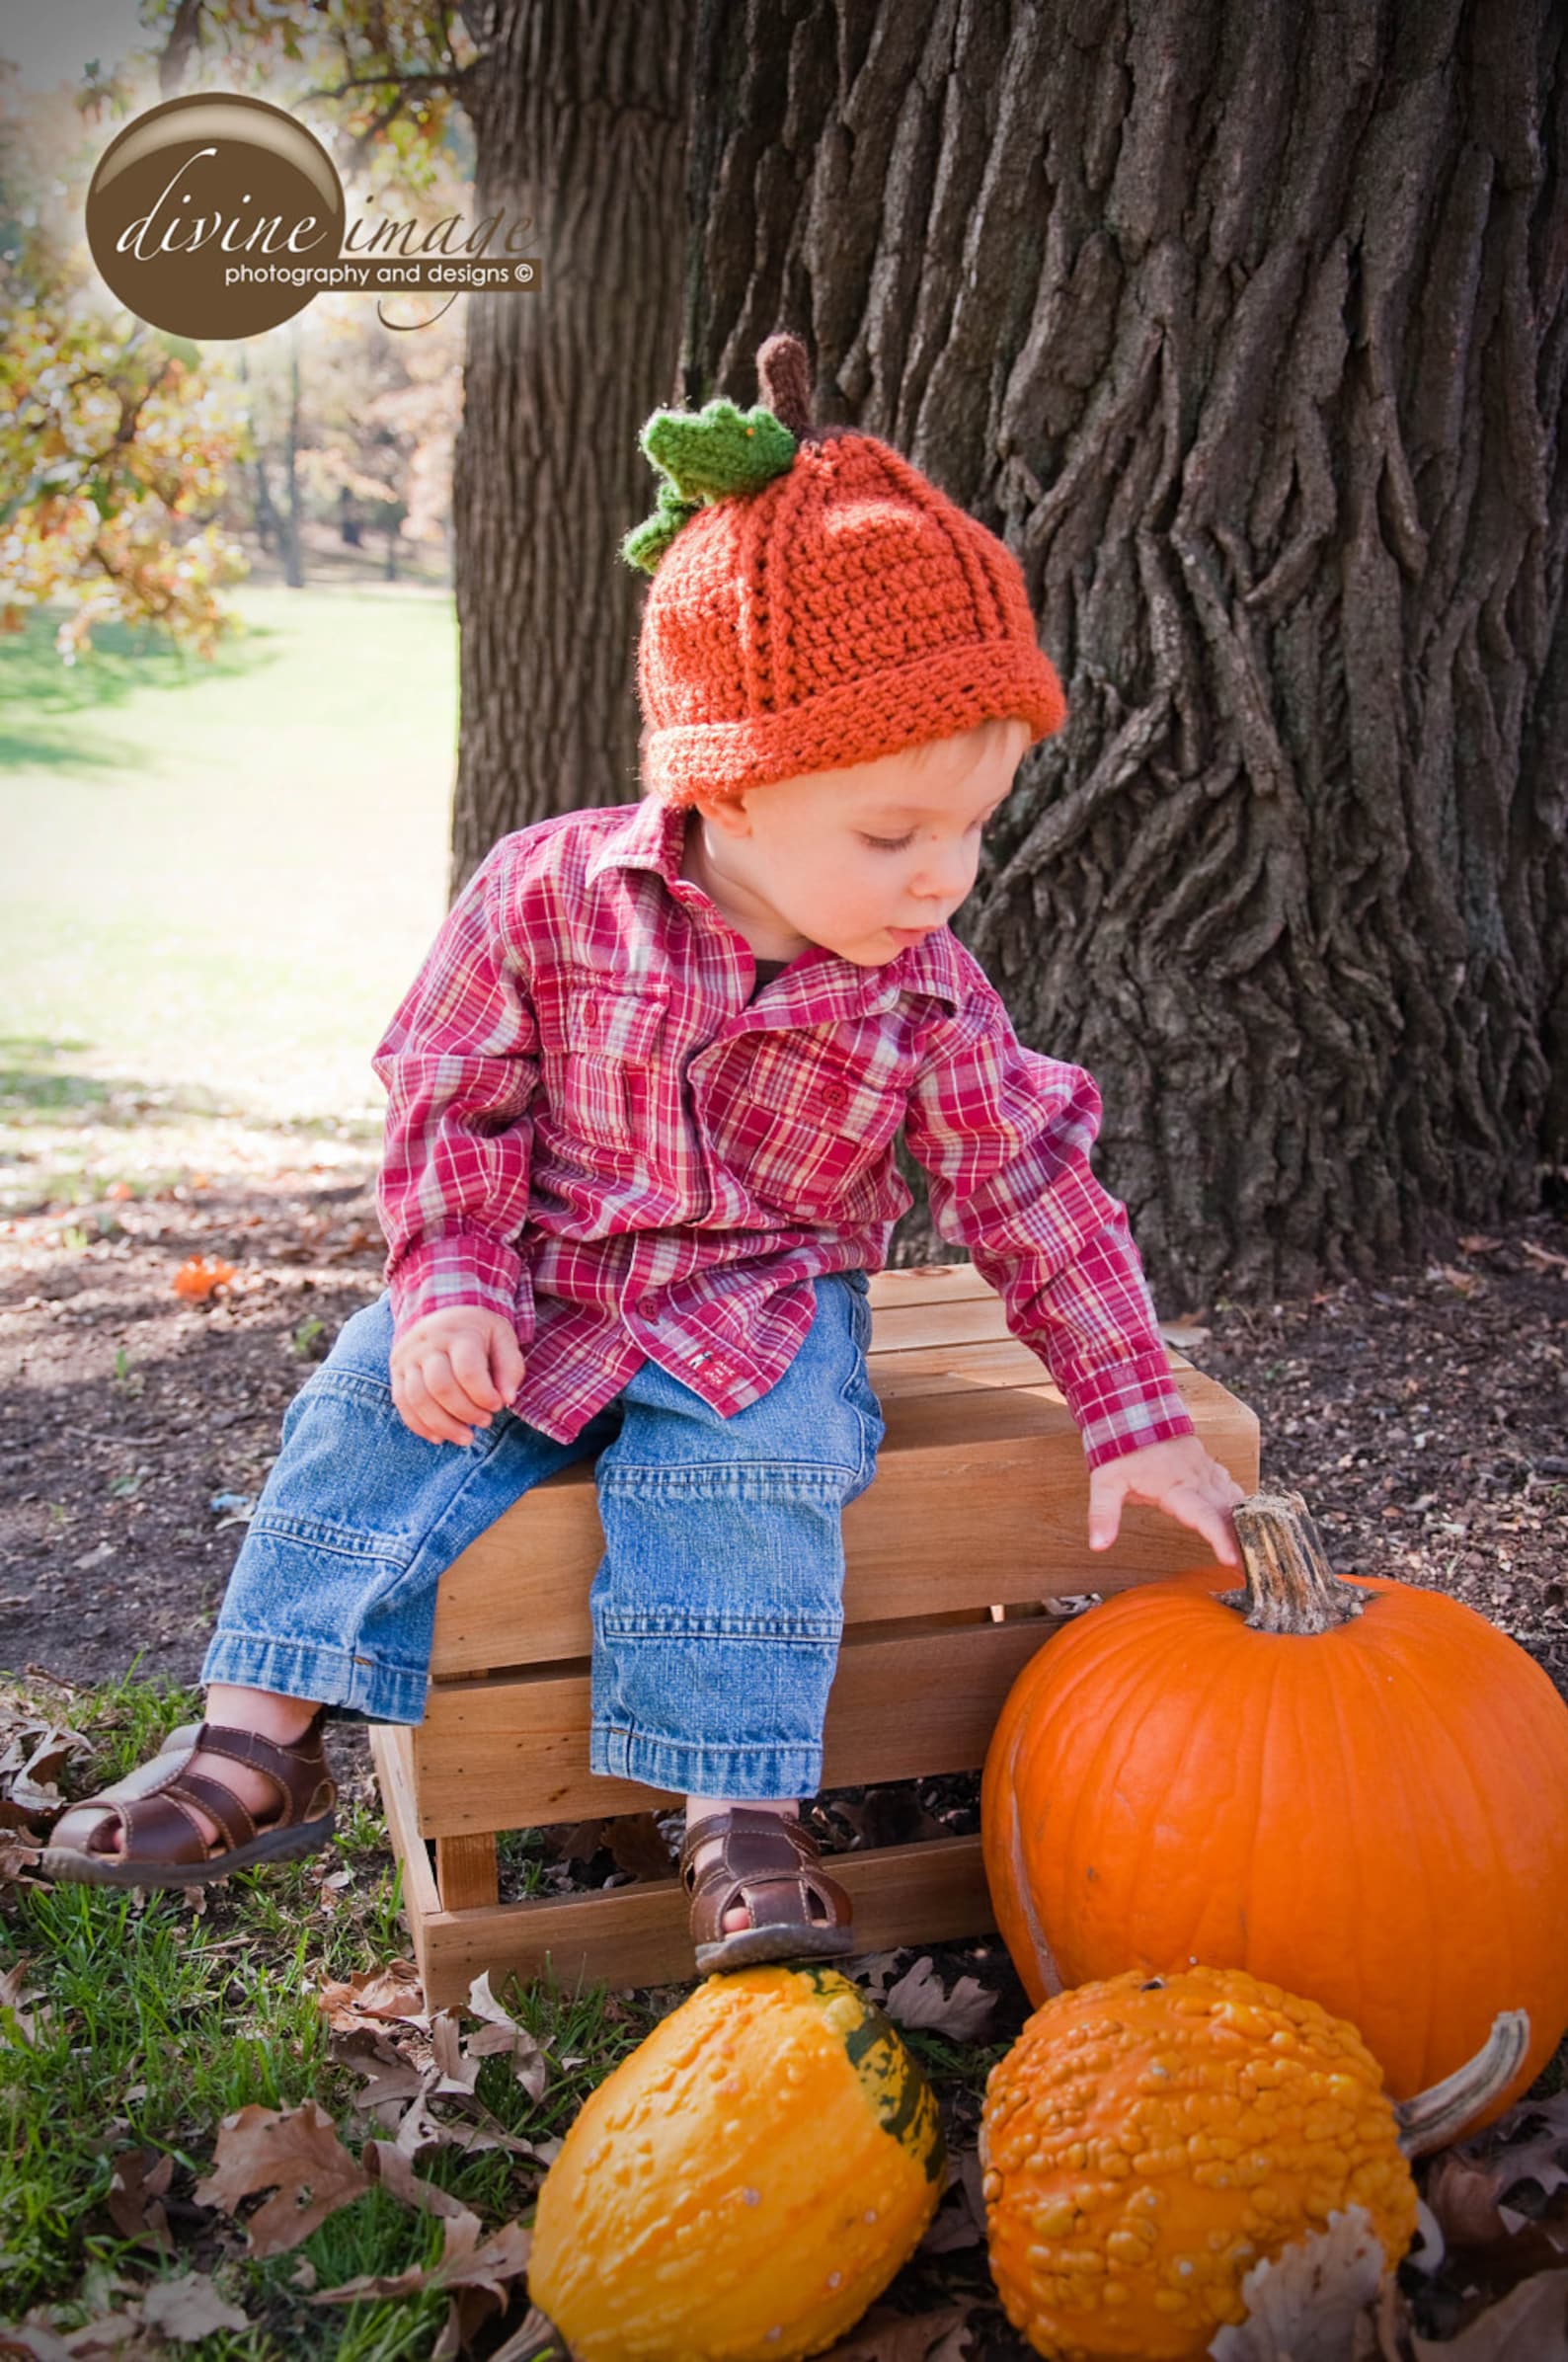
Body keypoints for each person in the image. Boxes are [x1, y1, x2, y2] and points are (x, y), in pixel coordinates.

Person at [42, 331, 1245, 1973]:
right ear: (729, 787)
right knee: (369, 1399)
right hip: (536, 1278)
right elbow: (448, 1092)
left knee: (752, 1477)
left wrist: (1133, 1415)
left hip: (760, 1302)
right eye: (896, 833)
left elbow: (1032, 1193)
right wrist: (454, 1283)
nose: (943, 875)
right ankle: (258, 1727)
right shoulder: (544, 895)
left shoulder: (923, 992)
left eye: (975, 826)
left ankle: (736, 1818)